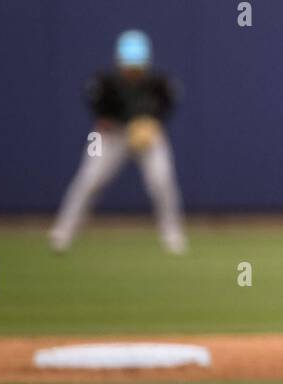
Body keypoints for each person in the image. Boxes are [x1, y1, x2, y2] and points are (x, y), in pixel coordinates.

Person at [49, 29, 187, 254]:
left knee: (162, 182)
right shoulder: (105, 83)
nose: (133, 71)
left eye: (137, 66)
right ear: (119, 61)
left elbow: (168, 105)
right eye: (129, 65)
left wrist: (152, 123)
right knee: (89, 180)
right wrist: (105, 120)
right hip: (111, 136)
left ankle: (173, 235)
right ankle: (63, 232)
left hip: (148, 137)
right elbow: (97, 107)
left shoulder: (159, 83)